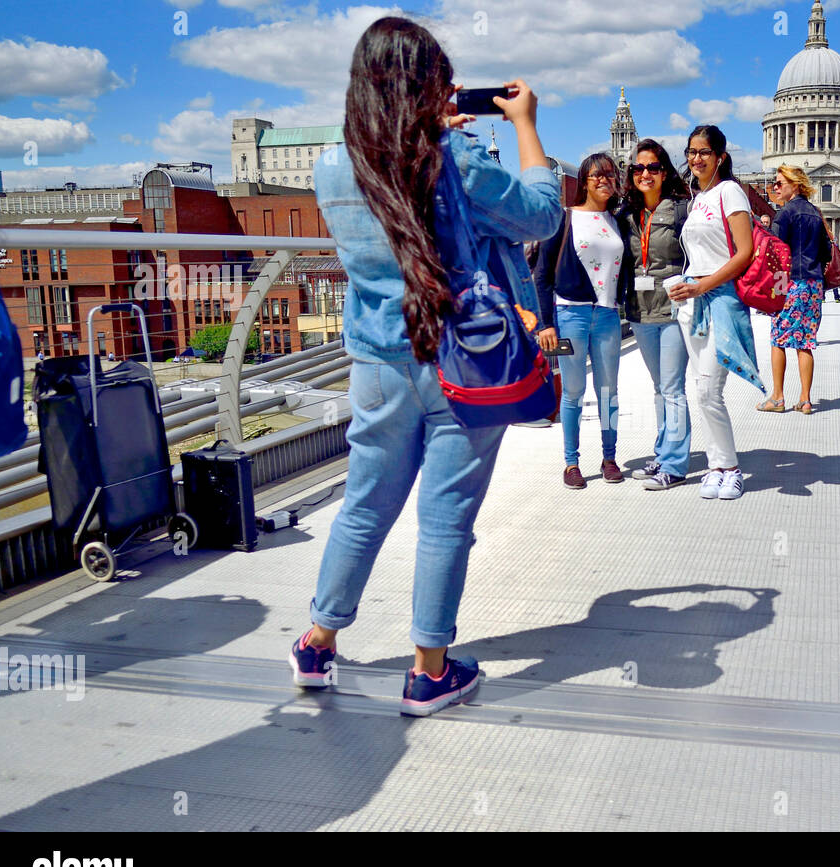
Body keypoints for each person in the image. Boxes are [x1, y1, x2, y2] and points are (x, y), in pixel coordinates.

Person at [292, 17, 562, 716]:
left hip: (378, 361)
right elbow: (540, 217)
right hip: (458, 361)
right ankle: (429, 670)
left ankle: (318, 644)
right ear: (427, 84)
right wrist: (524, 125)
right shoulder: (457, 159)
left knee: (363, 505)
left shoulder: (330, 165)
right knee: (444, 519)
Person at [669, 125, 765, 500]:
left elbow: (743, 253)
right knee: (700, 389)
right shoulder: (697, 199)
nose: (696, 159)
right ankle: (717, 466)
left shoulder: (730, 192)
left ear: (720, 156)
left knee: (710, 389)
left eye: (704, 152)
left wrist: (702, 285)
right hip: (691, 302)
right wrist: (687, 286)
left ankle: (730, 467)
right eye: (691, 152)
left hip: (719, 299)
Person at [534, 152, 634, 489]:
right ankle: (571, 462)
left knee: (608, 391)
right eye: (597, 176)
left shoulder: (618, 220)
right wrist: (545, 324)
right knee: (573, 391)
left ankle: (609, 457)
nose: (605, 181)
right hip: (569, 313)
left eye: (610, 175)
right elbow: (542, 275)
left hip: (607, 314)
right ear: (585, 182)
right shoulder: (564, 219)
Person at [623, 139, 693, 490]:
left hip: (673, 310)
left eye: (652, 167)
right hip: (639, 310)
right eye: (638, 168)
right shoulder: (628, 213)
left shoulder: (682, 209)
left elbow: (701, 253)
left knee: (672, 387)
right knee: (659, 388)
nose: (645, 173)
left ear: (664, 172)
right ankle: (663, 452)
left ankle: (676, 464)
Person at [758, 165, 830, 415]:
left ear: (796, 184)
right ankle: (805, 399)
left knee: (778, 339)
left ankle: (778, 398)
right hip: (813, 284)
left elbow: (777, 255)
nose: (775, 187)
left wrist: (775, 293)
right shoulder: (815, 213)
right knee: (805, 342)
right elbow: (826, 253)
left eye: (780, 183)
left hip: (790, 283)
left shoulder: (785, 214)